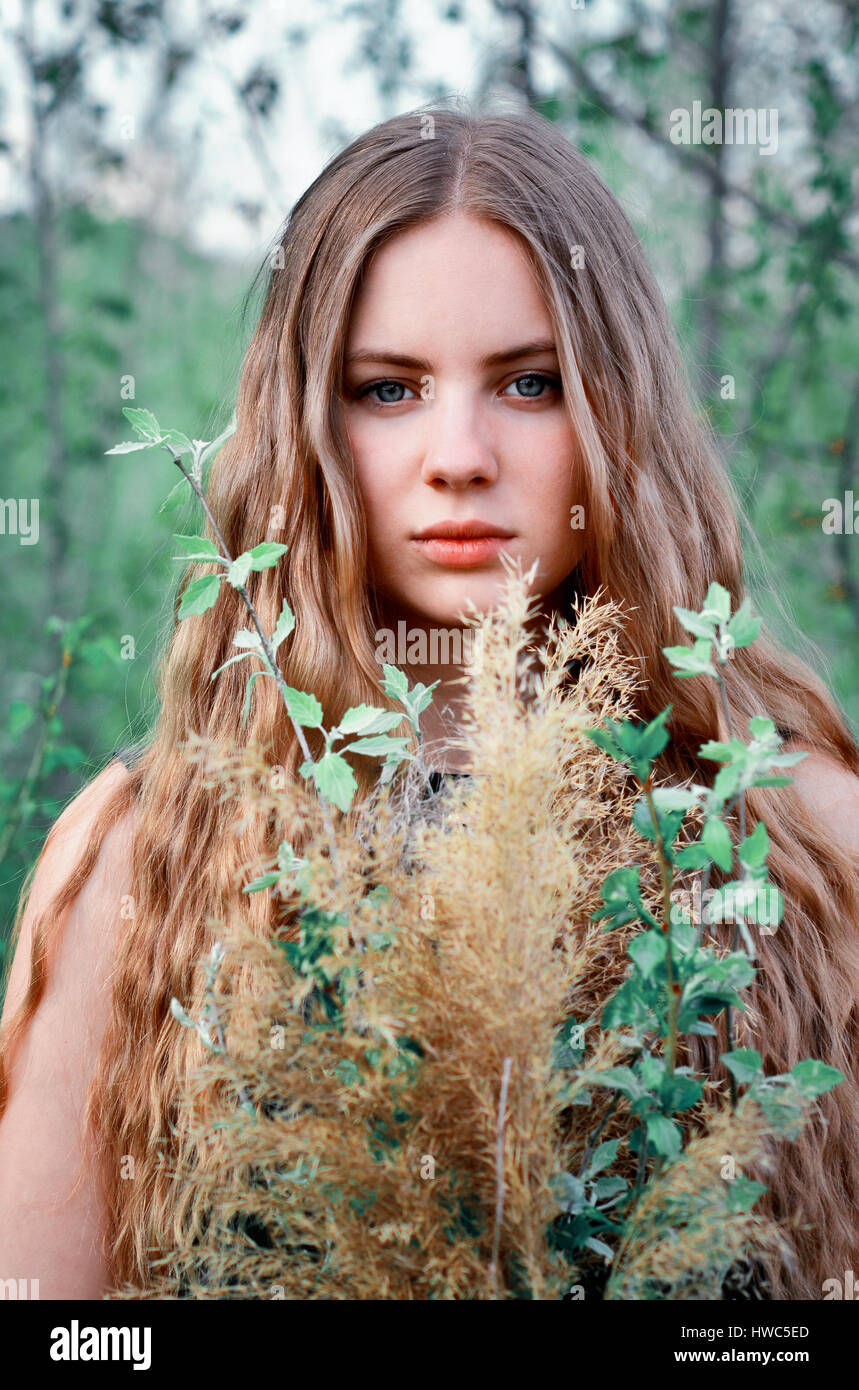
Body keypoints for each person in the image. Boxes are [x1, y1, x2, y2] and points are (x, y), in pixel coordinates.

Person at [1, 104, 857, 1301]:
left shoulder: (801, 830)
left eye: (529, 381)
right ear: (305, 423)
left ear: (620, 409)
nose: (459, 453)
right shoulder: (148, 854)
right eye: (388, 390)